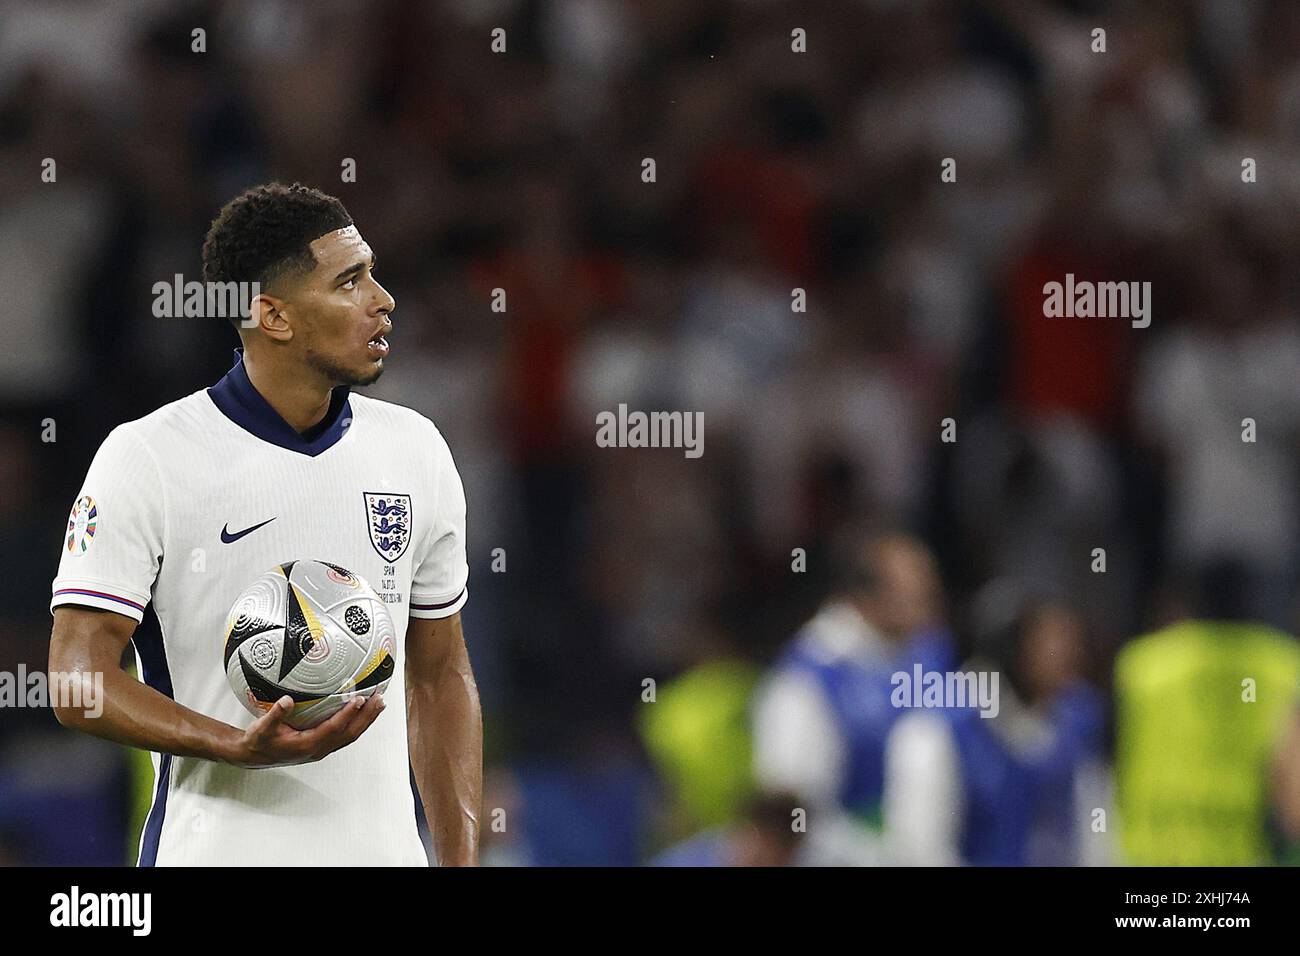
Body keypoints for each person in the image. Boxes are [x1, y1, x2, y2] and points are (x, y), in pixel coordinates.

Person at [48, 183, 481, 866]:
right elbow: (75, 679)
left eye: (371, 271)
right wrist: (232, 744)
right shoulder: (149, 457)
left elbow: (439, 673)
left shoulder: (415, 449)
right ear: (273, 316)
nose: (383, 298)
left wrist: (459, 863)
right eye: (350, 281)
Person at [751, 531, 954, 864]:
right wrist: (885, 855)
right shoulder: (808, 680)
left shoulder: (932, 653)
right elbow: (791, 817)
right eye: (915, 591)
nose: (931, 602)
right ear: (864, 595)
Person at [882, 592, 1108, 866]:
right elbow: (919, 854)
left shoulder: (1074, 726)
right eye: (1049, 642)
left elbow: (1094, 838)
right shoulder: (935, 731)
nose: (1070, 655)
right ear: (1009, 649)